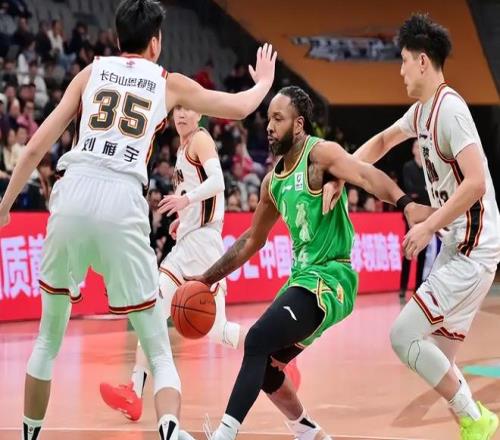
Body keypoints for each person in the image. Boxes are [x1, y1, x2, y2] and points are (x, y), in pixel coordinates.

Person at [0, 0, 277, 439]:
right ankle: (169, 429)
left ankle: (28, 435)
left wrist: (4, 206)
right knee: (159, 350)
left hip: (72, 194)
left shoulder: (90, 73)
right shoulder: (168, 82)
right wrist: (262, 83)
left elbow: (35, 147)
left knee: (47, 341)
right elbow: (240, 107)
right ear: (156, 43)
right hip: (122, 200)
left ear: (116, 39)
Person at [189, 86, 428, 440]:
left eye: (278, 119)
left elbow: (365, 175)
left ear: (298, 124)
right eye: (268, 119)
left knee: (256, 341)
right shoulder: (272, 182)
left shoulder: (320, 156)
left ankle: (224, 435)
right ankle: (307, 431)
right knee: (268, 367)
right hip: (303, 279)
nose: (270, 126)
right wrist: (206, 279)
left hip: (330, 278)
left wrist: (405, 204)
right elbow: (251, 240)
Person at [353, 13, 500, 439]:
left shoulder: (450, 110)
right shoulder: (422, 112)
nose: (400, 71)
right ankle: (475, 425)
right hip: (460, 245)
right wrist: (341, 172)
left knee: (404, 336)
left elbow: (475, 182)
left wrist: (427, 225)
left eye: (403, 61)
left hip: (473, 248)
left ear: (422, 61)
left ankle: (476, 419)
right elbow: (383, 141)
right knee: (438, 357)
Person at [100, 105, 243, 420]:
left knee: (211, 328)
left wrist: (186, 201)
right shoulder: (183, 146)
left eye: (188, 109)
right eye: (177, 108)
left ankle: (272, 351)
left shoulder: (200, 140)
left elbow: (218, 182)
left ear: (200, 115)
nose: (181, 114)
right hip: (192, 240)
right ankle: (133, 392)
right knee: (160, 314)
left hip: (202, 244)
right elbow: (198, 192)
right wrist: (184, 218)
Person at [400, 139, 431, 299]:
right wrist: (422, 190)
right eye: (416, 147)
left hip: (426, 214)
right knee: (408, 250)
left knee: (423, 252)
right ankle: (403, 287)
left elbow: (430, 190)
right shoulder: (408, 167)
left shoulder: (428, 168)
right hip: (412, 214)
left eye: (421, 147)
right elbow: (409, 189)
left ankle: (418, 288)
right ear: (413, 150)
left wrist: (422, 191)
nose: (419, 150)